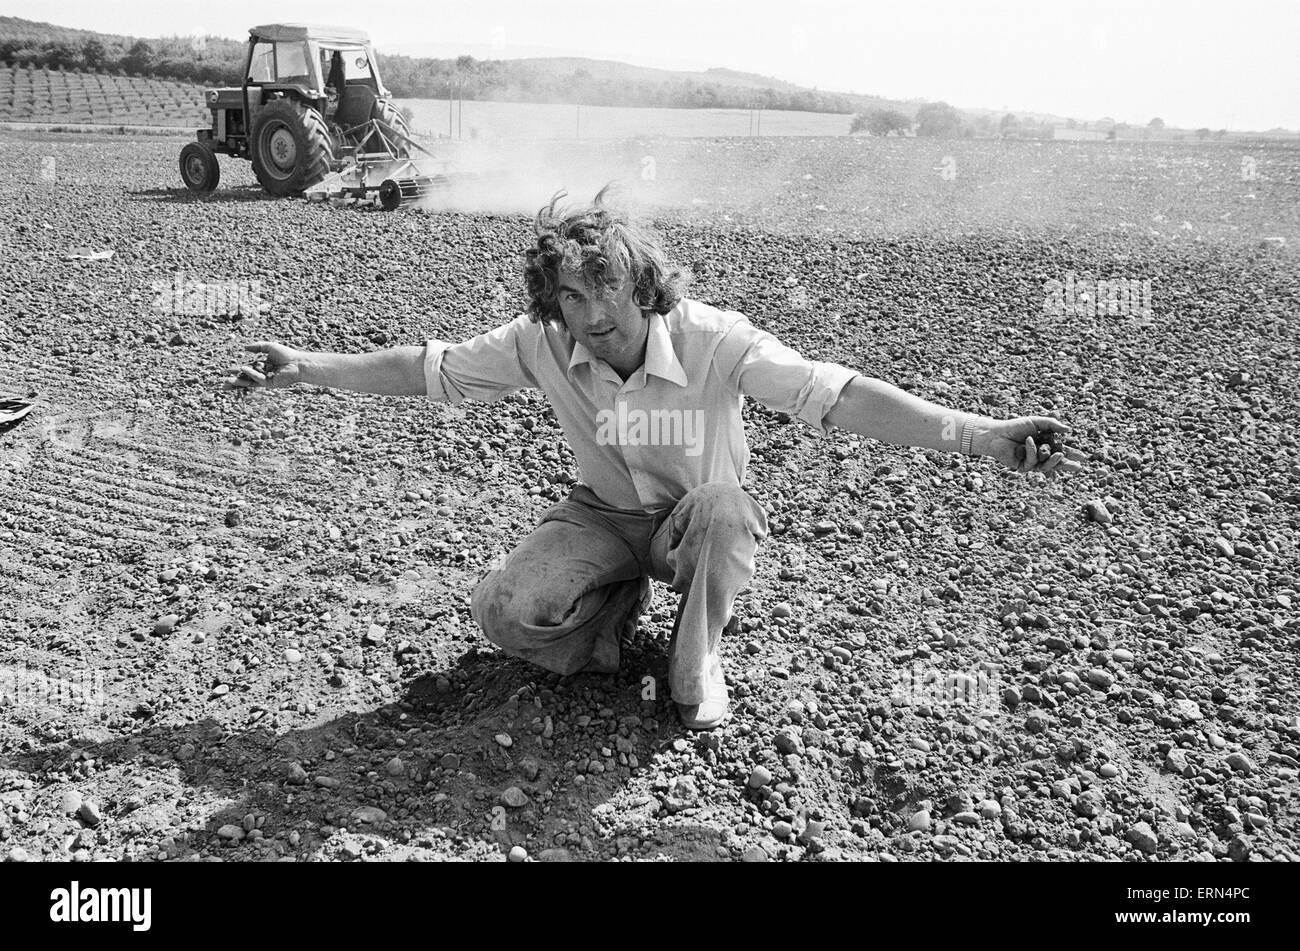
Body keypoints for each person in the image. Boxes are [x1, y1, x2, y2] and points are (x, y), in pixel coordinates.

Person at [224, 185, 1083, 730]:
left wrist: (978, 433)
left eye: (605, 295)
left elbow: (839, 393)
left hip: (692, 523)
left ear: (643, 285)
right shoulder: (543, 340)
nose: (589, 317)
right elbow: (434, 369)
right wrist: (311, 370)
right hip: (601, 516)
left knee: (725, 508)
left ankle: (695, 659)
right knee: (503, 614)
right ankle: (613, 618)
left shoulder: (718, 341)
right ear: (550, 298)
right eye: (569, 298)